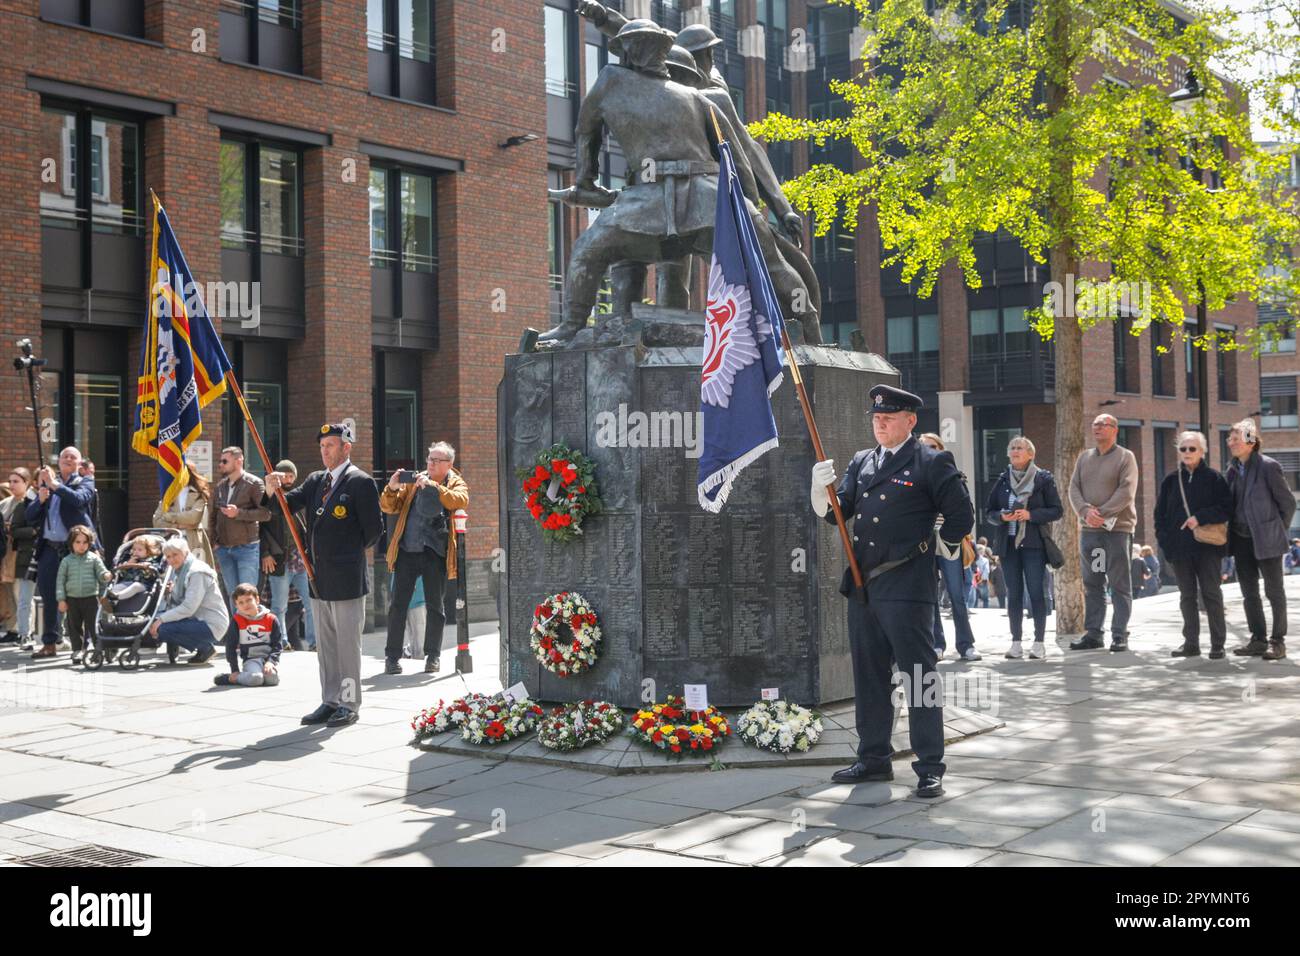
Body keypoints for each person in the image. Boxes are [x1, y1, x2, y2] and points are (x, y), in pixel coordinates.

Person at [810, 384, 974, 799]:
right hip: (865, 585)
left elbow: (960, 512)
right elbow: (838, 513)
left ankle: (930, 766)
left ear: (910, 421)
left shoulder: (930, 461)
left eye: (889, 417)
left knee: (919, 678)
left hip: (907, 584)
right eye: (876, 417)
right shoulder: (863, 461)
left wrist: (943, 546)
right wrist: (818, 492)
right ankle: (874, 759)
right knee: (868, 677)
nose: (879, 422)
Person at [265, 422, 382, 728]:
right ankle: (330, 700)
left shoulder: (361, 482)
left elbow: (373, 532)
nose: (325, 450)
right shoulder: (317, 480)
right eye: (322, 446)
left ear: (346, 447)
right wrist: (271, 490)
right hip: (318, 577)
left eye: (330, 445)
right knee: (327, 646)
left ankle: (349, 702)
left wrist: (342, 554)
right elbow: (286, 506)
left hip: (346, 578)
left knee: (347, 647)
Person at [380, 442, 470, 675]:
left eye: (436, 460)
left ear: (449, 464)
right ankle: (392, 657)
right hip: (408, 550)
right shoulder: (415, 481)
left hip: (435, 553)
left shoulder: (455, 482)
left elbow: (459, 500)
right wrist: (391, 487)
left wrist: (433, 487)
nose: (430, 463)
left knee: (435, 607)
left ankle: (433, 656)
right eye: (429, 459)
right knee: (398, 605)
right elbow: (389, 507)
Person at [1153, 430, 1231, 659]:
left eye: (1192, 448)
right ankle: (1191, 643)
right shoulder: (1170, 480)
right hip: (1180, 550)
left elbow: (1226, 508)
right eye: (1183, 449)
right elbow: (1160, 516)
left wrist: (1200, 517)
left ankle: (1218, 644)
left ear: (1202, 451)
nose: (1187, 453)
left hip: (1208, 547)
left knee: (1211, 594)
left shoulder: (1215, 478)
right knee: (1186, 596)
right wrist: (1166, 544)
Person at [984, 435, 1062, 659]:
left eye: (1020, 448)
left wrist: (1031, 515)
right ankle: (1016, 642)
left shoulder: (1043, 479)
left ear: (1031, 454)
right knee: (1013, 594)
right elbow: (989, 512)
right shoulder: (1002, 480)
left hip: (1034, 545)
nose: (1015, 451)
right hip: (1008, 546)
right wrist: (1002, 516)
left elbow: (1057, 510)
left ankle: (1038, 642)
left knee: (1036, 592)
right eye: (1012, 448)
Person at [1224, 418, 1295, 660]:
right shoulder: (1232, 469)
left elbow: (1288, 503)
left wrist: (1276, 529)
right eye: (1230, 438)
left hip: (1267, 539)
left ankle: (1278, 641)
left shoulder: (1268, 466)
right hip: (1241, 539)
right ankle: (1258, 639)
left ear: (1250, 441)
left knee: (1274, 592)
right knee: (1249, 592)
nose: (1230, 442)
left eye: (1235, 439)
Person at [1067, 414, 1139, 651]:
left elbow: (1126, 491)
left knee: (1119, 583)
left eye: (1102, 424)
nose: (1097, 428)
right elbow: (1073, 488)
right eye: (1095, 425)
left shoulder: (1125, 457)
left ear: (1114, 429)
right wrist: (1086, 512)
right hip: (1091, 533)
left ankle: (1119, 634)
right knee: (1093, 582)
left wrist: (1103, 513)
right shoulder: (1085, 458)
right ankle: (1094, 633)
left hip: (1116, 531)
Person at [27, 447, 96, 658]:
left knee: (80, 597)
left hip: (74, 551)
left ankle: (86, 642)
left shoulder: (84, 482)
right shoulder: (48, 485)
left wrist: (55, 486)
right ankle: (50, 643)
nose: (67, 459)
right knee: (49, 597)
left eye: (72, 457)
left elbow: (79, 500)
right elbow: (30, 517)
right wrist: (40, 499)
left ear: (79, 463)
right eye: (64, 456)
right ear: (59, 462)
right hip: (49, 548)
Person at [918, 434, 978, 661]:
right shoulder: (915, 477)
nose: (929, 450)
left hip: (948, 542)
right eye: (924, 447)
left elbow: (966, 511)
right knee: (930, 596)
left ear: (941, 449)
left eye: (933, 447)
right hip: (923, 543)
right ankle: (936, 644)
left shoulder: (954, 476)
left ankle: (966, 644)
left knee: (957, 594)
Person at [259, 459, 315, 652]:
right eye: (284, 476)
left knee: (311, 603)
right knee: (279, 605)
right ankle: (281, 641)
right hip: (280, 559)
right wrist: (265, 553)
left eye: (291, 476)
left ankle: (314, 641)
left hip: (301, 559)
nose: (288, 479)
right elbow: (262, 528)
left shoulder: (299, 498)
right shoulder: (269, 498)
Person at [209, 447, 271, 611]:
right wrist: (213, 541)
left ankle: (251, 632)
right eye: (220, 461)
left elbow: (266, 513)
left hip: (246, 548)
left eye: (224, 461)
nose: (220, 464)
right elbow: (212, 516)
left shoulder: (254, 483)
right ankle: (237, 632)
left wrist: (238, 513)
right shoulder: (220, 486)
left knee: (248, 593)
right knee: (232, 594)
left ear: (238, 461)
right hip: (223, 548)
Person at [149, 536, 227, 665]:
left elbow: (188, 608)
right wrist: (171, 592)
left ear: (186, 552)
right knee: (155, 623)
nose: (172, 559)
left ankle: (205, 648)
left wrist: (161, 619)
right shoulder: (180, 571)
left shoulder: (197, 572)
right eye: (168, 557)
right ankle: (203, 648)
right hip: (198, 619)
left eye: (175, 554)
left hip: (211, 624)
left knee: (162, 629)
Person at [54, 525, 110, 665]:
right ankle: (77, 650)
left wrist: (106, 575)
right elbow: (60, 581)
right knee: (74, 626)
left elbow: (101, 573)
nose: (81, 546)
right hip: (72, 599)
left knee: (94, 626)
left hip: (91, 598)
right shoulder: (66, 561)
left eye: (85, 542)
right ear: (71, 543)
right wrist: (61, 599)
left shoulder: (94, 559)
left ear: (89, 543)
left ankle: (98, 650)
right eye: (77, 542)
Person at [214, 582, 283, 687]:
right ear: (236, 605)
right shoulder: (237, 621)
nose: (245, 604)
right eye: (241, 603)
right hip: (251, 660)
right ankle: (231, 678)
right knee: (256, 679)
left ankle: (248, 676)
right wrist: (234, 670)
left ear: (257, 600)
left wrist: (271, 662)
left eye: (249, 600)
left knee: (273, 680)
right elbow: (230, 647)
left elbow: (277, 645)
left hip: (267, 660)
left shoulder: (271, 619)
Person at [153, 464, 216, 567]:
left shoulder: (198, 493)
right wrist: (178, 526)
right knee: (172, 575)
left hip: (193, 540)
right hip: (172, 540)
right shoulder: (168, 494)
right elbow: (157, 522)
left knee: (194, 571)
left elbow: (193, 518)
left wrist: (170, 517)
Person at [4, 468, 38, 646]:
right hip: (6, 554)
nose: (12, 485)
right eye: (10, 481)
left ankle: (26, 631)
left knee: (22, 594)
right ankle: (13, 629)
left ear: (27, 483)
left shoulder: (29, 503)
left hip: (21, 553)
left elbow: (27, 529)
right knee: (10, 593)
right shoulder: (6, 503)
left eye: (16, 481)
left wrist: (30, 531)